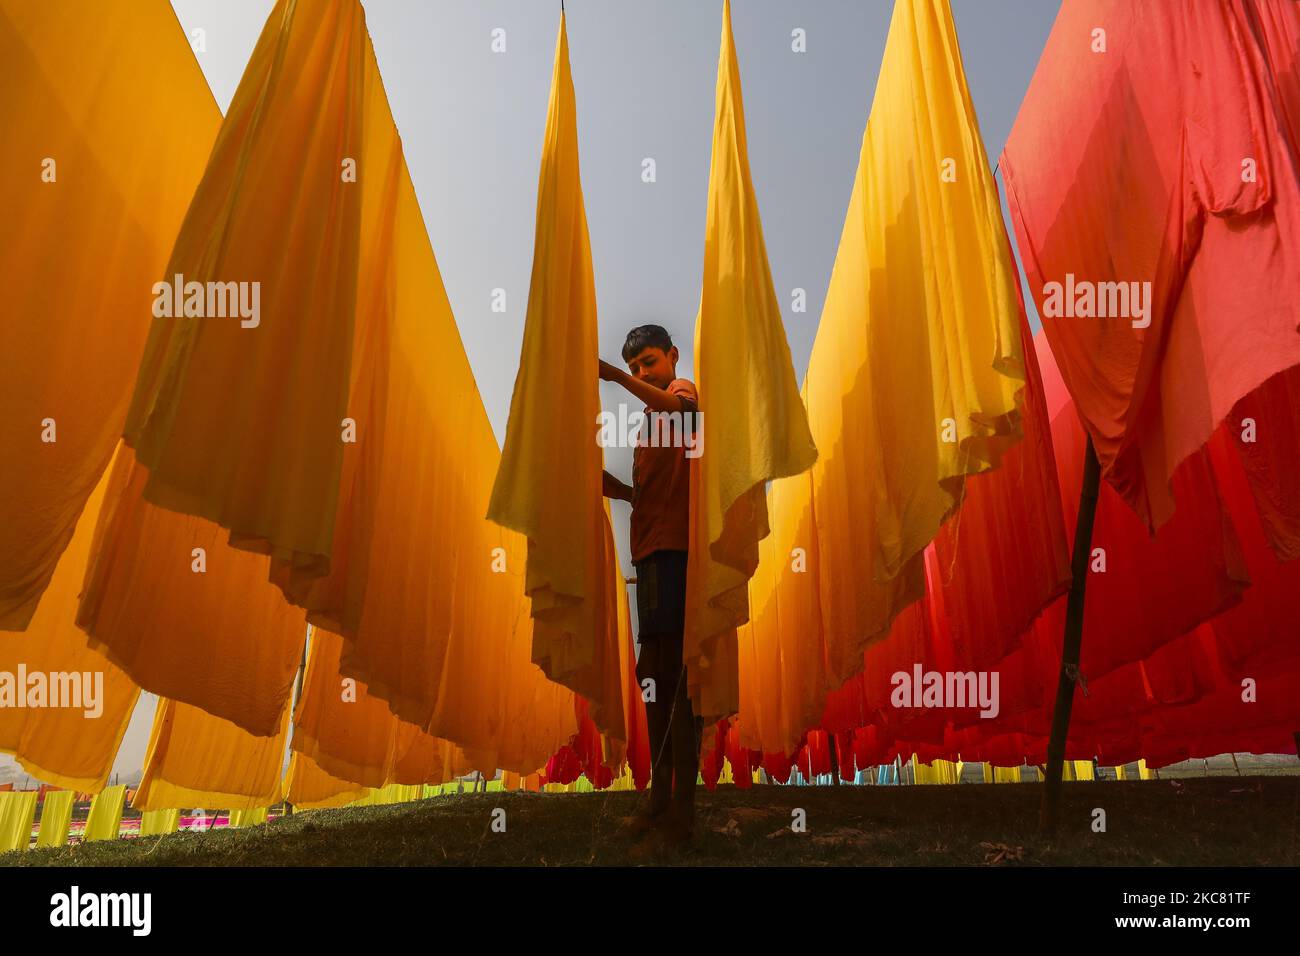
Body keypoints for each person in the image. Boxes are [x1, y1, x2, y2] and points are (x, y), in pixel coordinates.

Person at [599, 324, 702, 848]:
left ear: (672, 359)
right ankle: (660, 796)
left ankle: (681, 808)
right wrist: (611, 487)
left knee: (676, 675)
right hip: (650, 556)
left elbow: (682, 414)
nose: (643, 372)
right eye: (635, 367)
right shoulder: (645, 431)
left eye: (649, 363)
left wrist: (613, 377)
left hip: (676, 553)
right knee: (655, 674)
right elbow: (646, 498)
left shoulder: (681, 394)